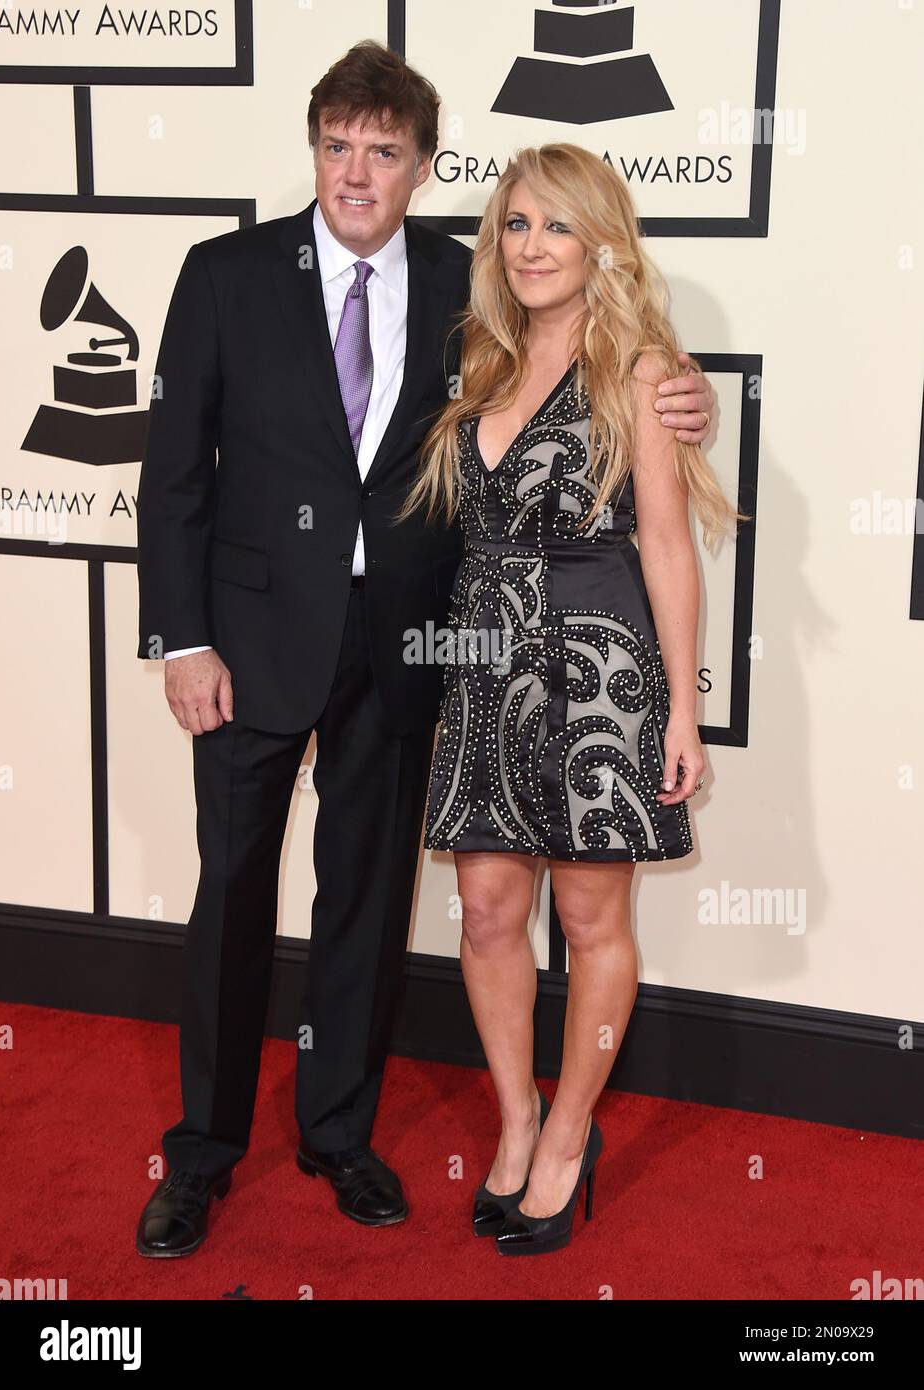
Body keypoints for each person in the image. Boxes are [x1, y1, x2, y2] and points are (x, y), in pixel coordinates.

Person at [134, 41, 715, 1257]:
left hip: (412, 645)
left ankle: (340, 1131)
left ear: (420, 165)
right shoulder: (225, 274)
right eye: (337, 146)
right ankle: (200, 1154)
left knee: (369, 897)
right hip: (244, 642)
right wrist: (181, 637)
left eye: (383, 151)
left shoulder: (474, 287)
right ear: (313, 151)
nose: (357, 171)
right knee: (232, 894)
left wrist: (688, 395)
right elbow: (175, 474)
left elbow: (599, 365)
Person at [402, 143, 743, 1255]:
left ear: (600, 240)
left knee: (593, 919)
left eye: (556, 225)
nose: (533, 246)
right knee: (492, 912)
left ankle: (569, 1137)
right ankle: (516, 1118)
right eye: (514, 225)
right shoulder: (480, 360)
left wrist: (682, 714)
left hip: (600, 676)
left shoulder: (640, 370)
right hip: (485, 665)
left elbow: (665, 545)